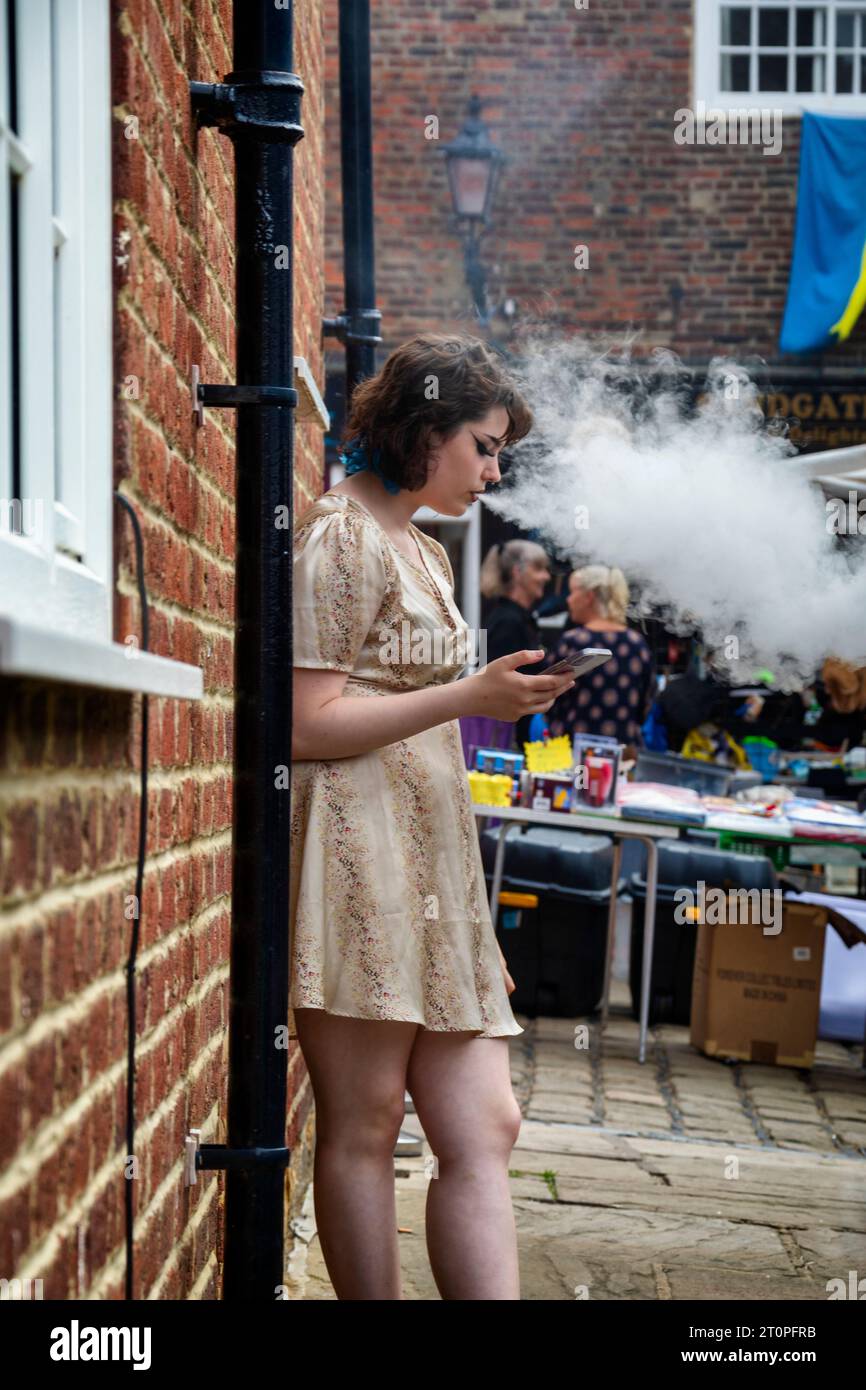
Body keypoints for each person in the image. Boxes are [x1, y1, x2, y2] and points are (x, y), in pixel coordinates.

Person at [290, 333, 577, 1300]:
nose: (494, 472)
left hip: (436, 865)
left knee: (486, 1124)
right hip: (357, 853)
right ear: (426, 429)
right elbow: (304, 726)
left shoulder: (421, 544)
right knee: (366, 1125)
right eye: (485, 446)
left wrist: (471, 919)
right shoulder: (343, 536)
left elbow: (433, 724)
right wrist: (468, 698)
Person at [540, 564, 655, 758]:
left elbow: (546, 695)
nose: (568, 600)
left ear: (588, 597)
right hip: (621, 757)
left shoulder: (573, 642)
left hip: (572, 757)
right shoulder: (637, 644)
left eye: (572, 592)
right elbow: (646, 704)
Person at [464, 538, 552, 757]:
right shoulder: (508, 621)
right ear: (517, 572)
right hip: (504, 743)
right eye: (539, 568)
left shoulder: (514, 618)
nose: (546, 577)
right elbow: (495, 687)